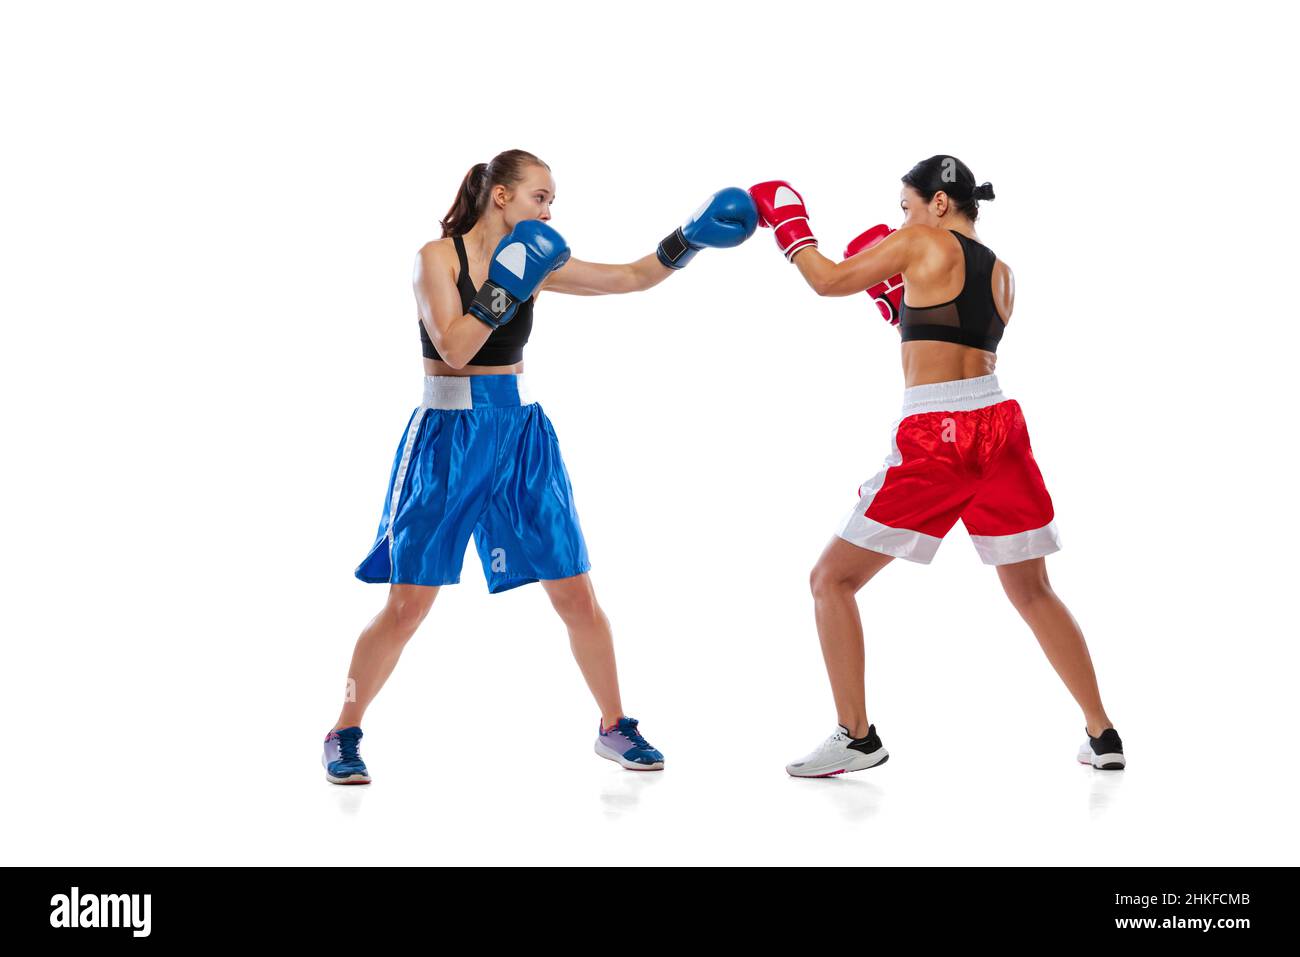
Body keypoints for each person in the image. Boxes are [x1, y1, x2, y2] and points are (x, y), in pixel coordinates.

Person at [323, 148, 758, 784]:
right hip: (448, 437)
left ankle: (614, 726)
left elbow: (632, 277)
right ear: (501, 196)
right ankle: (344, 731)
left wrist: (686, 240)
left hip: (520, 438)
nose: (549, 210)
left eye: (551, 201)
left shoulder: (535, 261)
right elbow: (454, 345)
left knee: (576, 590)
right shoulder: (435, 258)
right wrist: (510, 282)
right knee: (408, 606)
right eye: (541, 197)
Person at [748, 156, 1124, 777]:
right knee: (1032, 590)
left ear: (939, 204)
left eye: (906, 206)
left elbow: (827, 280)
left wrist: (790, 224)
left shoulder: (921, 240)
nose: (903, 220)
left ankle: (857, 736)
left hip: (939, 433)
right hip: (999, 427)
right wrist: (899, 305)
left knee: (830, 581)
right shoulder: (1003, 273)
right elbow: (951, 339)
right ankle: (1103, 732)